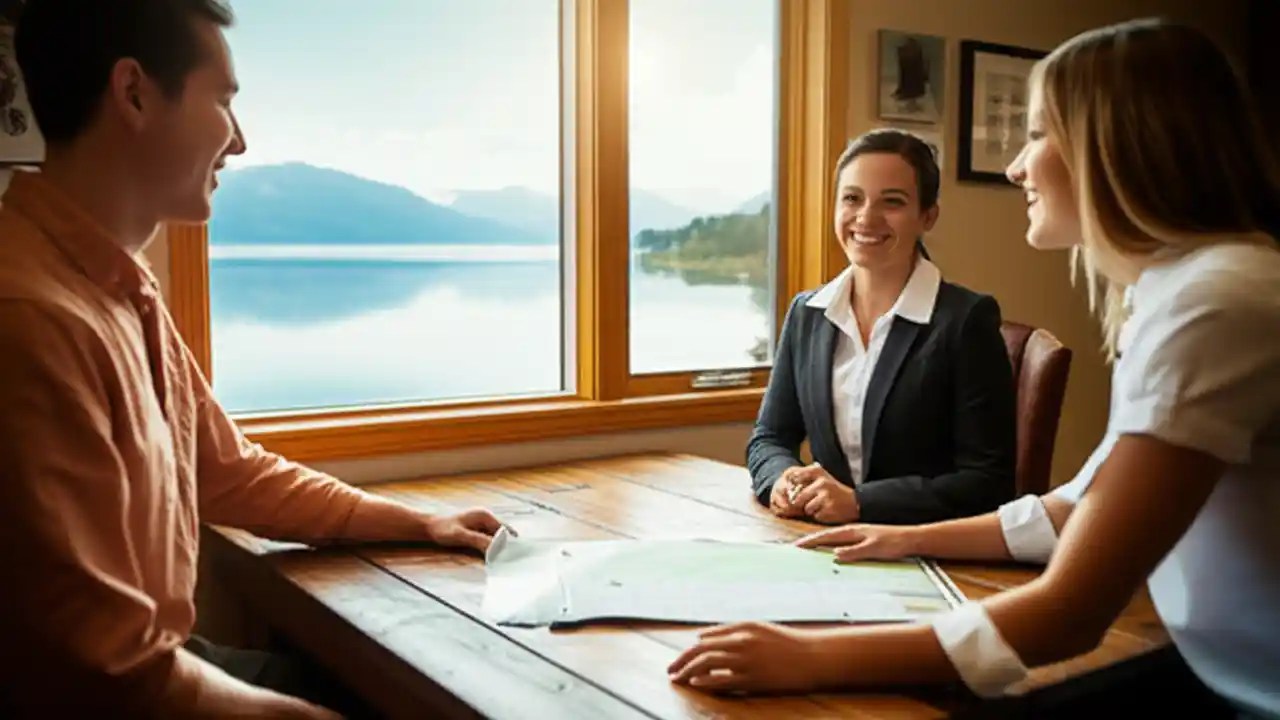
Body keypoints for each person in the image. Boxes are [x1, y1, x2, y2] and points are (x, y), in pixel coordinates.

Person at [671, 17, 1280, 719]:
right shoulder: (1182, 291)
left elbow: (1068, 614)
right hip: (1219, 675)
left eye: (1038, 134)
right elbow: (1072, 505)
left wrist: (808, 655)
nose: (1016, 165)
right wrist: (903, 537)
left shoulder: (1217, 300)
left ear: (1119, 144)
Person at [0, 2, 508, 717]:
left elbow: (228, 471)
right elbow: (99, 671)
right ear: (135, 94)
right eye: (224, 100)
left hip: (161, 662)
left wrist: (416, 522)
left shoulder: (115, 286)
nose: (239, 142)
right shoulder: (31, 317)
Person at [747, 128, 1016, 527]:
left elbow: (988, 483)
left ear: (928, 216)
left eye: (892, 202)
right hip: (828, 545)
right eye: (852, 198)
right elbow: (769, 437)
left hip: (927, 552)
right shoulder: (807, 313)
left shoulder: (966, 321)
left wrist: (862, 503)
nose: (866, 218)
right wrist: (781, 480)